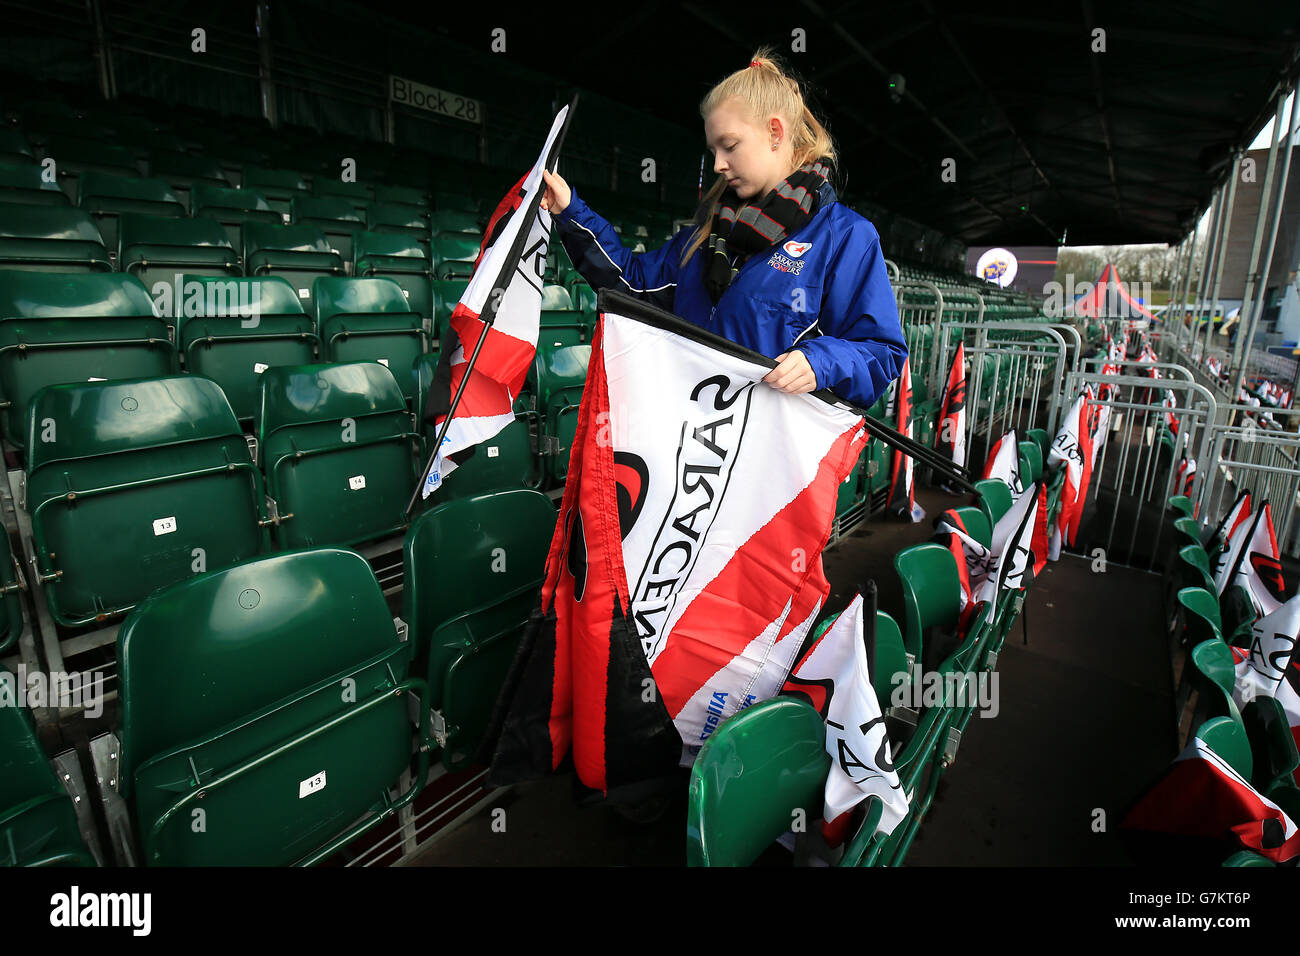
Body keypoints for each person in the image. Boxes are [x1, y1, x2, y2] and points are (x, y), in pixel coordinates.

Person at [539, 48, 907, 411]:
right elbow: (632, 283)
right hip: (690, 446)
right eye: (713, 149)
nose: (717, 164)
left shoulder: (845, 236)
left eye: (728, 146)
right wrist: (571, 211)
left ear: (775, 132)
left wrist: (821, 362)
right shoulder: (705, 235)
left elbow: (881, 353)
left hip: (771, 457)